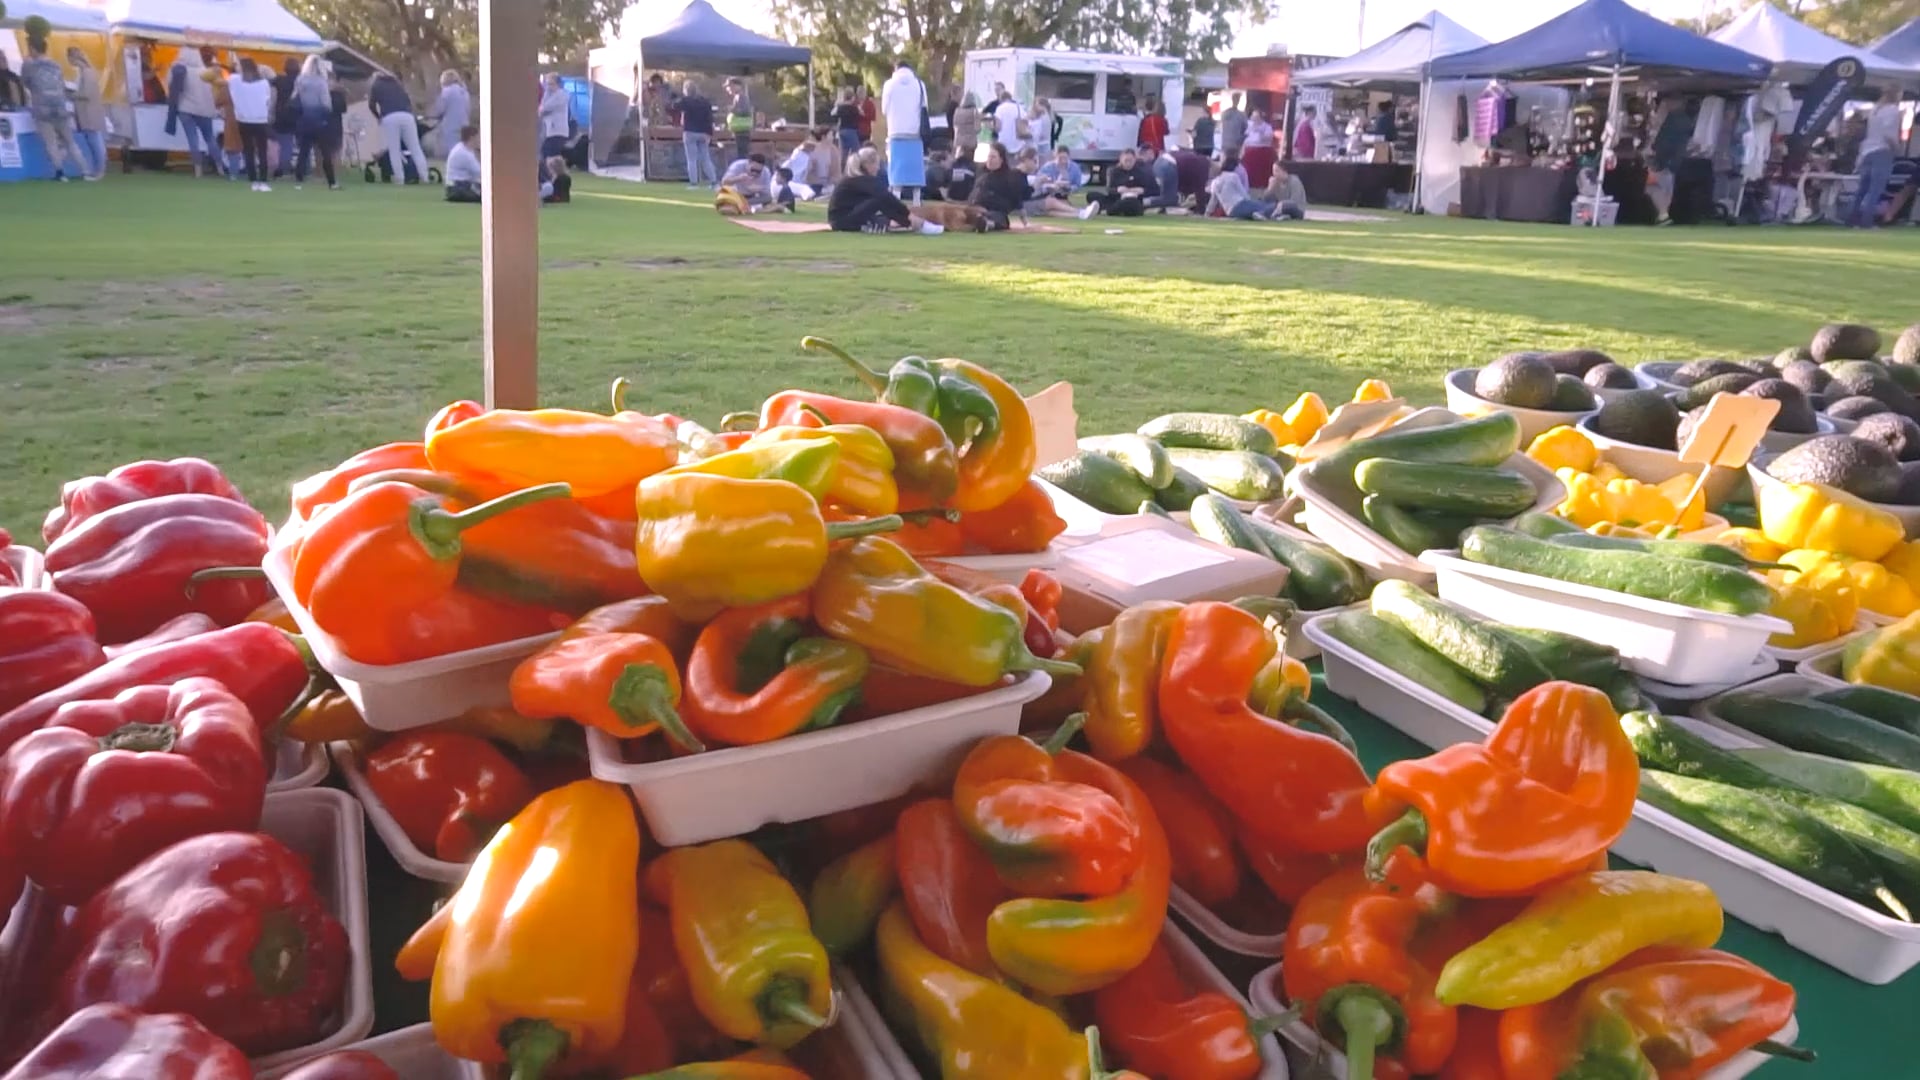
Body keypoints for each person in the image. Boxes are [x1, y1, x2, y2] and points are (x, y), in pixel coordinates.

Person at [829, 145, 938, 233]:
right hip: (842, 222)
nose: (878, 168)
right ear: (868, 164)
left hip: (843, 218)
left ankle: (911, 223)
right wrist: (907, 214)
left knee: (882, 209)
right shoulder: (861, 179)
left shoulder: (857, 179)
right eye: (877, 164)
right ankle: (916, 224)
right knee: (880, 200)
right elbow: (885, 196)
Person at [20, 35, 83, 182]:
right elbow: (61, 84)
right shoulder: (56, 65)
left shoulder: (30, 66)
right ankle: (85, 170)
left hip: (42, 108)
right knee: (70, 141)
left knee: (51, 143)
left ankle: (60, 173)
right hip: (60, 106)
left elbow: (25, 82)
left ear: (33, 49)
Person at [1852, 88, 1902, 229]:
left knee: (1862, 189)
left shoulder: (1875, 109)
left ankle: (1852, 219)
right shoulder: (1893, 110)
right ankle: (1867, 221)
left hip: (1868, 150)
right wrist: (1896, 147)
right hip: (1882, 151)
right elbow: (1889, 133)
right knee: (1876, 189)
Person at [166, 47, 220, 176]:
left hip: (186, 108)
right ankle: (220, 166)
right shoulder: (206, 72)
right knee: (210, 139)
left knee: (192, 139)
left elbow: (169, 85)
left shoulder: (178, 70)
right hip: (205, 109)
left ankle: (198, 169)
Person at [369, 71, 429, 184]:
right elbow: (407, 100)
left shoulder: (376, 85)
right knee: (415, 148)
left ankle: (399, 178)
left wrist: (378, 116)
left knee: (394, 150)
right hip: (407, 115)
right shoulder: (397, 83)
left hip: (389, 116)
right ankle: (424, 176)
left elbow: (371, 105)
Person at [881, 58, 928, 202]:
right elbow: (925, 106)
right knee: (915, 169)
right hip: (915, 133)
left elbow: (884, 109)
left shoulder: (889, 84)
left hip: (895, 132)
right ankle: (917, 200)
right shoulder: (919, 84)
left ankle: (896, 197)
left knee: (896, 169)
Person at [292, 56, 338, 189]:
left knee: (304, 150)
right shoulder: (321, 82)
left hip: (305, 117)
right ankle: (331, 180)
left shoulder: (300, 80)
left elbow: (295, 97)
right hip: (319, 118)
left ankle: (299, 176)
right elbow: (326, 103)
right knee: (325, 151)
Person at [228, 58, 274, 191]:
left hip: (243, 119)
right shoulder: (264, 83)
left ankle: (253, 180)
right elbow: (267, 99)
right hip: (260, 119)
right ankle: (263, 180)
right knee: (262, 151)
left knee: (248, 151)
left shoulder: (234, 80)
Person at [67, 48, 106, 181]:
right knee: (92, 141)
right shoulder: (84, 72)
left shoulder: (87, 73)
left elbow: (88, 94)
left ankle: (99, 171)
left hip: (89, 113)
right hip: (85, 112)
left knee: (95, 141)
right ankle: (97, 170)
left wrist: (71, 94)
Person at [1081, 145, 1150, 218]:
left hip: (1132, 200)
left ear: (1135, 160)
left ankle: (1109, 210)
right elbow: (1109, 190)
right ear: (1121, 159)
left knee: (1131, 202)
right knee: (1091, 195)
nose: (1128, 163)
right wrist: (1118, 190)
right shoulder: (1114, 171)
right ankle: (1113, 209)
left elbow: (1149, 190)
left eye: (1130, 160)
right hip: (1115, 198)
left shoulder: (1141, 172)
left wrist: (1138, 191)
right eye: (1126, 160)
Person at [969, 142, 1026, 228]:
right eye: (988, 157)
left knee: (998, 218)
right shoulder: (981, 173)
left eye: (993, 157)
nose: (990, 160)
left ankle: (985, 224)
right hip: (975, 209)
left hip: (995, 212)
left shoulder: (1009, 177)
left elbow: (1017, 199)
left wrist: (1024, 220)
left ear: (1001, 160)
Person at [204, 53, 242, 178]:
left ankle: (233, 174)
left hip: (232, 120)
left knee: (233, 147)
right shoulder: (252, 85)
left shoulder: (227, 87)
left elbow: (218, 102)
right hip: (250, 120)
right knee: (248, 146)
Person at [1210, 152, 1275, 219]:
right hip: (1239, 204)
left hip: (1230, 211)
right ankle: (1264, 213)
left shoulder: (1214, 182)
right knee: (1267, 206)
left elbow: (1213, 201)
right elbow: (1243, 193)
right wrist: (1250, 202)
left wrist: (1207, 212)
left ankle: (1255, 214)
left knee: (1256, 207)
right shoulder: (1233, 176)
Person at [678, 80, 716, 188]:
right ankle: (713, 181)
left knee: (691, 159)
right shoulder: (705, 102)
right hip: (703, 133)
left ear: (685, 90)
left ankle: (694, 183)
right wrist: (709, 133)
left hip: (690, 132)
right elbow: (710, 118)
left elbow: (674, 106)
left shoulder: (686, 101)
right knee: (705, 158)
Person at [430, 70, 471, 158]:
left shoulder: (447, 91)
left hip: (450, 126)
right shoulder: (465, 93)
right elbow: (468, 109)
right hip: (464, 124)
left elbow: (439, 109)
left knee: (452, 152)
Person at [271, 58, 300, 176]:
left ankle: (282, 166)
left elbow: (268, 81)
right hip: (297, 114)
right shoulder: (300, 81)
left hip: (281, 113)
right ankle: (303, 166)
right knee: (302, 143)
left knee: (284, 142)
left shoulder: (279, 80)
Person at [537, 73, 571, 163]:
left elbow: (545, 108)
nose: (548, 87)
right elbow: (542, 107)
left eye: (551, 84)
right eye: (547, 84)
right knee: (546, 154)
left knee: (551, 155)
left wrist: (542, 110)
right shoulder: (549, 94)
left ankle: (556, 173)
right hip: (550, 131)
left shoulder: (562, 95)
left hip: (558, 131)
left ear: (558, 84)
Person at [445, 124, 482, 201]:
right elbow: (480, 173)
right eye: (478, 137)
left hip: (457, 186)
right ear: (472, 138)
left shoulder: (463, 148)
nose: (480, 140)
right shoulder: (464, 153)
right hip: (457, 188)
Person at [1145, 144, 1181, 212]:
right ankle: (1143, 202)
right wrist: (1201, 210)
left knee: (1162, 194)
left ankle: (1145, 201)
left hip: (1159, 161)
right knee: (1169, 199)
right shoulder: (1202, 164)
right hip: (1169, 165)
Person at [992, 86, 1024, 153]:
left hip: (1004, 143)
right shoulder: (1019, 107)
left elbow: (998, 127)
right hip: (1018, 143)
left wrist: (991, 127)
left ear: (1001, 99)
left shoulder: (1000, 108)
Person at [952, 92, 981, 166]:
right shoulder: (974, 111)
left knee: (958, 163)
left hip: (959, 141)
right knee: (969, 164)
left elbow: (955, 124)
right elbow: (978, 129)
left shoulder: (957, 110)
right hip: (970, 142)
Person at [833, 88, 862, 155]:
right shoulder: (854, 108)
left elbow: (833, 114)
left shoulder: (840, 108)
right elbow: (862, 114)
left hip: (842, 130)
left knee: (843, 152)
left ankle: (842, 165)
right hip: (851, 130)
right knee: (856, 151)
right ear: (852, 98)